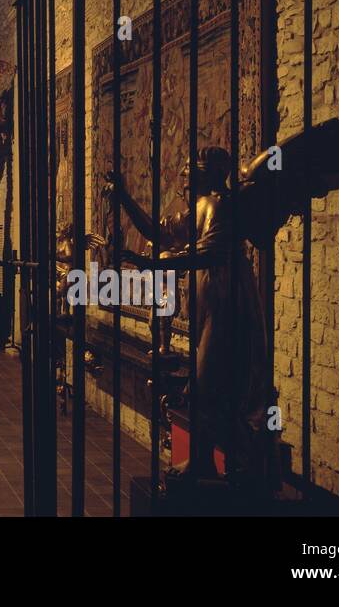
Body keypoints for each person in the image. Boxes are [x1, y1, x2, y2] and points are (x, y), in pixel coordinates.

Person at [103, 147, 269, 487]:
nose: (184, 173)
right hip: (210, 303)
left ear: (207, 172)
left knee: (209, 386)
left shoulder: (221, 204)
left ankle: (254, 466)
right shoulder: (199, 207)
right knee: (203, 386)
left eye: (192, 168)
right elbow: (158, 231)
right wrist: (123, 197)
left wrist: (152, 264)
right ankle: (204, 461)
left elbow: (206, 254)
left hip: (227, 301)